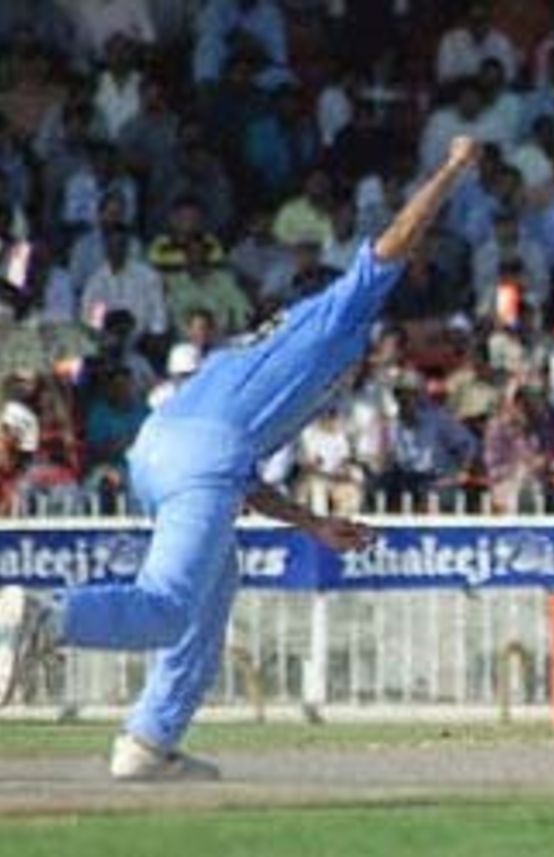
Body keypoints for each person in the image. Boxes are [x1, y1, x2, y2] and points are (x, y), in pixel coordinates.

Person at [0, 136, 482, 780]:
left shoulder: (259, 351)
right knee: (166, 604)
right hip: (202, 457)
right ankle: (48, 615)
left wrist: (310, 525)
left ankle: (149, 741)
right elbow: (396, 238)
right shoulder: (333, 318)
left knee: (211, 587)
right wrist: (451, 170)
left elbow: (239, 480)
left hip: (168, 447)